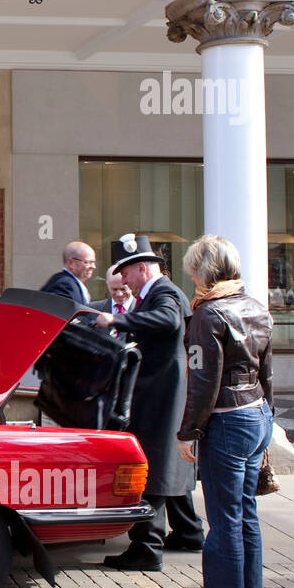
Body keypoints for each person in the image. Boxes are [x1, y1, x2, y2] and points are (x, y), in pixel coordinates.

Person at [176, 234, 274, 588]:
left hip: (227, 422)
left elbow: (203, 384)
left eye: (193, 270)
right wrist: (270, 421)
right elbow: (267, 374)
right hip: (257, 415)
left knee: (224, 523)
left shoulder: (209, 316)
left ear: (203, 271)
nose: (191, 278)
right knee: (246, 518)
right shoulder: (256, 308)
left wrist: (188, 433)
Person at [93, 233, 198, 570]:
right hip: (163, 393)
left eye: (126, 272)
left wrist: (117, 319)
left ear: (142, 268)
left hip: (161, 395)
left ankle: (147, 549)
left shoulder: (164, 293)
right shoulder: (161, 292)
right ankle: (189, 533)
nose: (124, 280)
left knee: (150, 467)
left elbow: (167, 322)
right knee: (167, 464)